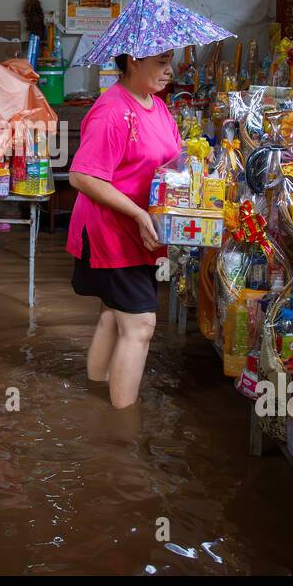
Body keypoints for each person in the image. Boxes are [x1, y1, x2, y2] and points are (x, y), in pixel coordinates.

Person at [67, 51, 182, 409]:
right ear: (134, 61)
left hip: (140, 231)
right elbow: (82, 175)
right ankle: (121, 432)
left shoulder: (157, 106)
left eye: (170, 61)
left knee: (113, 316)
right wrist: (136, 213)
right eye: (161, 62)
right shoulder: (112, 110)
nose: (169, 70)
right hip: (111, 231)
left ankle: (96, 400)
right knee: (140, 326)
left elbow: (171, 160)